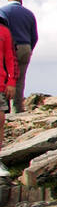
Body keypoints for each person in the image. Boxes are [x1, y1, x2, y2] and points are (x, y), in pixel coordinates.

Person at [0, 0, 37, 113]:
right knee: (20, 79)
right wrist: (30, 48)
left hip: (9, 47)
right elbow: (34, 36)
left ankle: (6, 109)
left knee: (7, 77)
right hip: (26, 46)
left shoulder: (4, 11)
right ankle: (18, 108)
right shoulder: (29, 14)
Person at [0, 16, 16, 160]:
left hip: (1, 83)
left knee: (0, 120)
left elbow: (10, 57)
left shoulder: (4, 31)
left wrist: (11, 81)